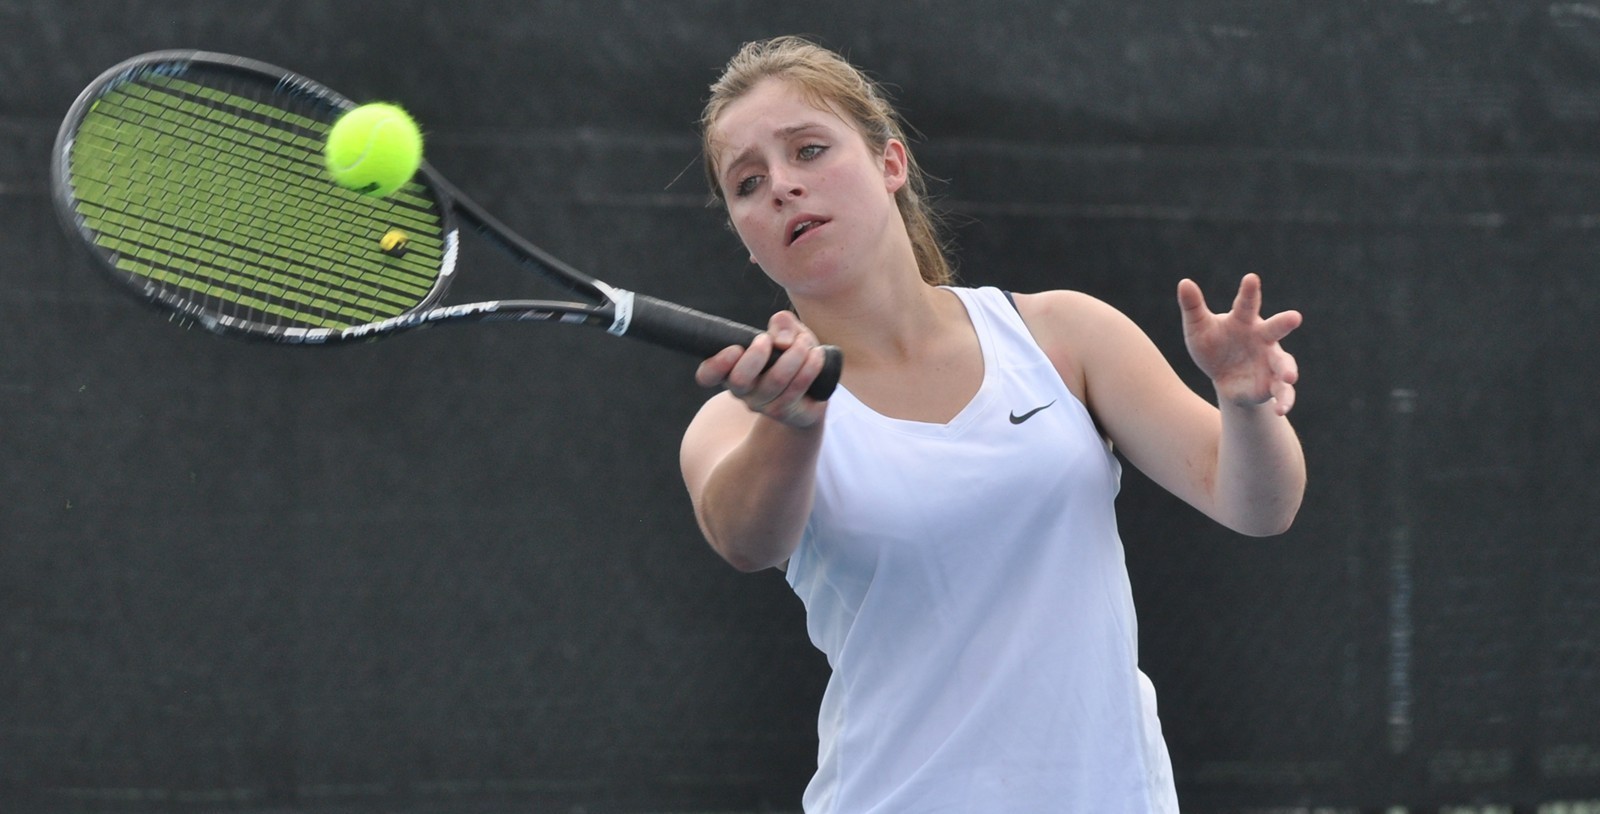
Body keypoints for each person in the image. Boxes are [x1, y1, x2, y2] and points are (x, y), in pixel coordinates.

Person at [678, 36, 1306, 813]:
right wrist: (793, 424)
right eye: (747, 183)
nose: (780, 186)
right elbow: (747, 540)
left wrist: (1246, 408)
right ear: (742, 230)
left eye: (809, 150)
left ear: (891, 164)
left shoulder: (1062, 334)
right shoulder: (734, 421)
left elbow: (1259, 505)